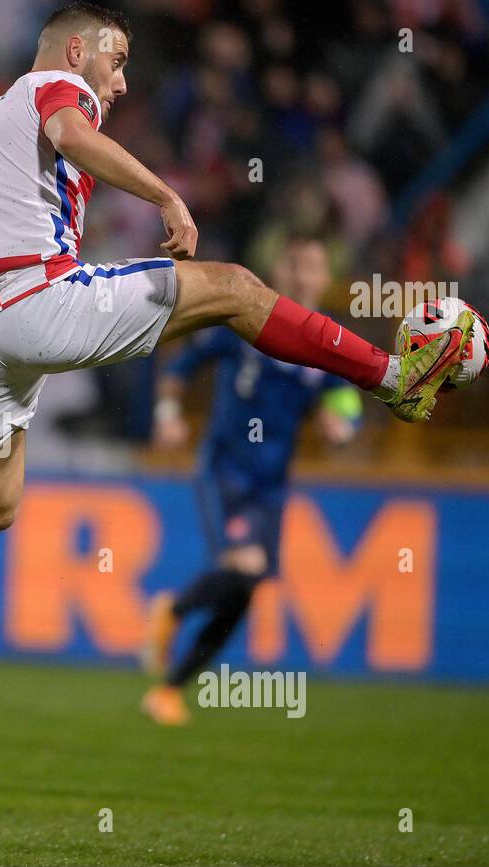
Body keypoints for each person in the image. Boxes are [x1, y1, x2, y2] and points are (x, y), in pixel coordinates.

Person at [0, 1, 471, 565]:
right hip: (39, 301)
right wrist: (166, 195)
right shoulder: (58, 89)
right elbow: (72, 133)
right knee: (233, 285)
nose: (121, 82)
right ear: (78, 51)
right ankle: (392, 378)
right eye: (117, 62)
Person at [139, 235, 361, 725]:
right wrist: (169, 413)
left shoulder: (326, 345)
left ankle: (170, 691)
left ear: (325, 280)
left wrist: (341, 426)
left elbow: (346, 402)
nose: (304, 275)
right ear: (280, 270)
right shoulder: (243, 321)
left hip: (271, 486)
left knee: (247, 586)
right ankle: (173, 610)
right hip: (225, 470)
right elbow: (179, 369)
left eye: (314, 267)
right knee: (245, 565)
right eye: (297, 263)